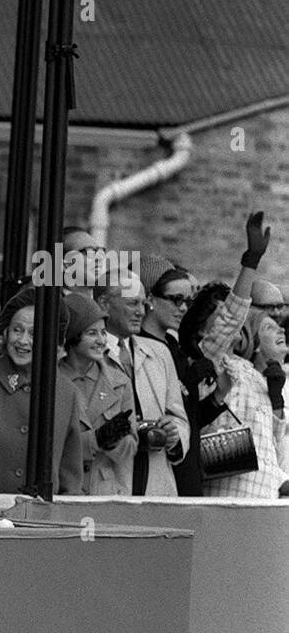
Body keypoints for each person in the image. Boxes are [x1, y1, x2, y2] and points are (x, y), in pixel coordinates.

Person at [180, 211, 287, 498]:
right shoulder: (208, 357)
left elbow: (273, 446)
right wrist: (250, 261)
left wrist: (276, 401)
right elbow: (232, 315)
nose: (235, 321)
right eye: (220, 313)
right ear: (202, 331)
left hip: (265, 496)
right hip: (227, 498)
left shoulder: (249, 370)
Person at [0, 288, 84, 495]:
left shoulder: (66, 392)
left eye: (34, 333)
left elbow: (70, 474)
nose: (23, 341)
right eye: (17, 330)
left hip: (40, 517)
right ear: (5, 333)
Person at [96, 273, 188, 494]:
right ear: (104, 305)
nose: (141, 311)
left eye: (143, 303)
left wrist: (174, 435)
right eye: (132, 303)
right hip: (107, 480)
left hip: (155, 482)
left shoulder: (159, 352)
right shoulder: (90, 352)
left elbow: (179, 416)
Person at [59, 293, 137, 495]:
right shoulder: (52, 382)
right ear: (73, 336)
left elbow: (131, 448)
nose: (101, 340)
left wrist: (113, 441)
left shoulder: (119, 382)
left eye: (103, 332)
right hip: (64, 490)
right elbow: (51, 447)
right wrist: (96, 440)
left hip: (105, 492)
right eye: (92, 333)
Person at [138, 259, 202, 494]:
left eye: (187, 301)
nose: (184, 308)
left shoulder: (175, 347)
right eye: (176, 300)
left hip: (185, 464)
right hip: (153, 471)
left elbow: (189, 416)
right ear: (150, 299)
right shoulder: (137, 348)